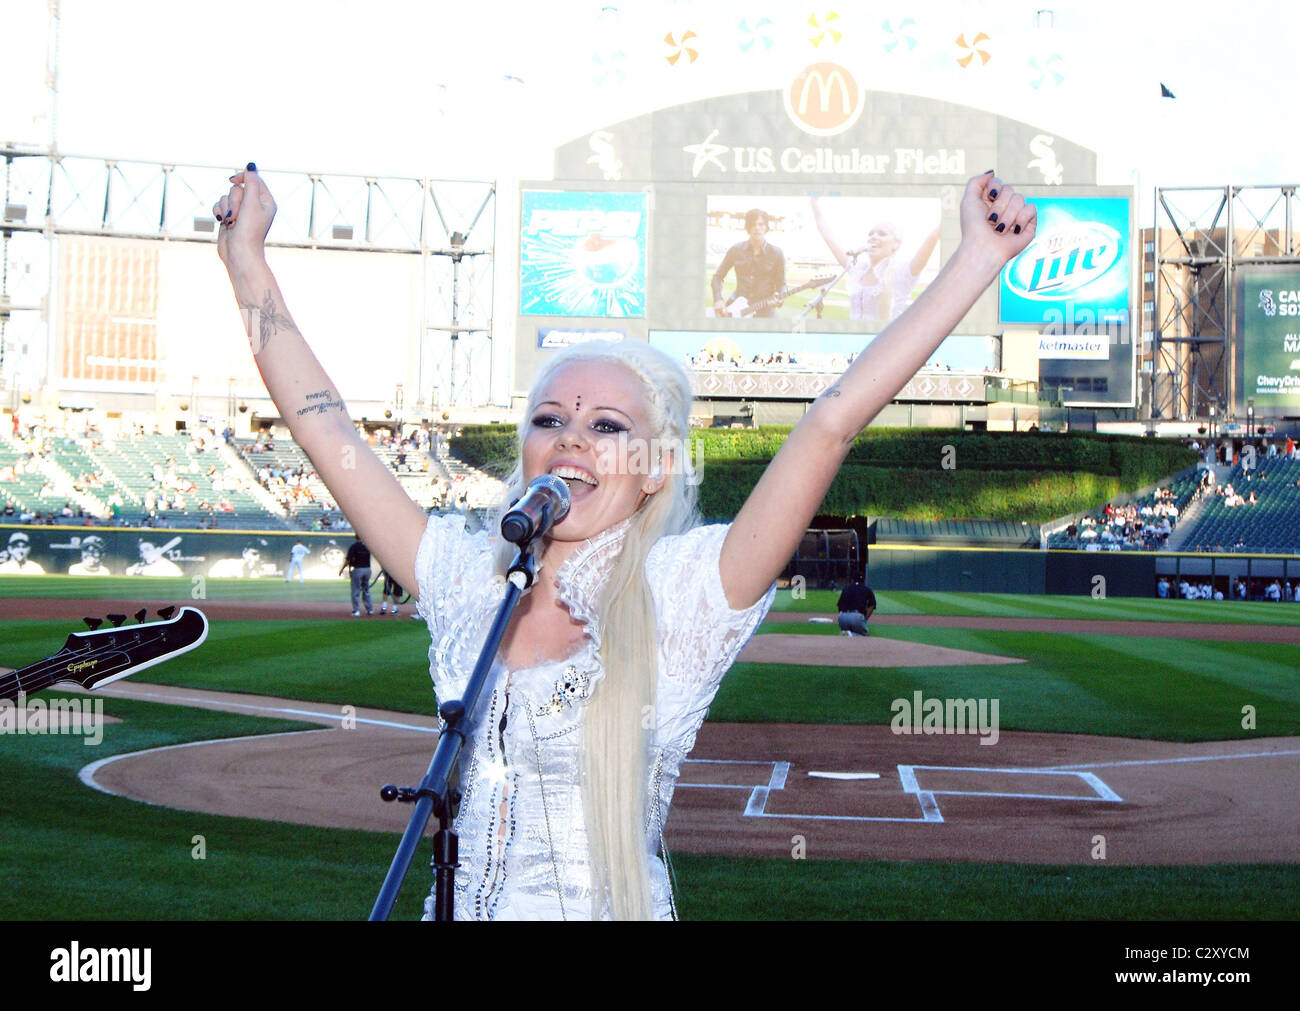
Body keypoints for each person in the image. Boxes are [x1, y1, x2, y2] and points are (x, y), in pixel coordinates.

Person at [214, 163, 1034, 920]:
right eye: (550, 419)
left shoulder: (681, 594)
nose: (571, 439)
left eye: (607, 426)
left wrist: (975, 258)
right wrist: (245, 258)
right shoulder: (468, 583)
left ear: (653, 469)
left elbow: (829, 425)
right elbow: (324, 426)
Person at [811, 196, 941, 321]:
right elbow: (827, 234)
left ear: (896, 244)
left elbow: (933, 236)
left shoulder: (903, 271)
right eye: (871, 234)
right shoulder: (857, 268)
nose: (873, 236)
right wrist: (814, 201)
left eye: (882, 234)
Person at [709, 208, 786, 318]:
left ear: (766, 227)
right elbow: (717, 277)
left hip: (765, 311)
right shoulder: (735, 250)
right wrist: (718, 299)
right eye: (752, 224)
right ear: (747, 227)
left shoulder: (776, 253)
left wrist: (780, 298)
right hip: (736, 307)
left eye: (761, 224)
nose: (757, 228)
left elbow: (782, 284)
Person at [341, 535, 373, 617]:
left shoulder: (354, 546)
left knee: (355, 591)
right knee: (366, 590)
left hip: (358, 569)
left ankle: (356, 611)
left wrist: (342, 569)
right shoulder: (368, 546)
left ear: (356, 537)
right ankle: (370, 609)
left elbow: (348, 560)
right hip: (367, 569)